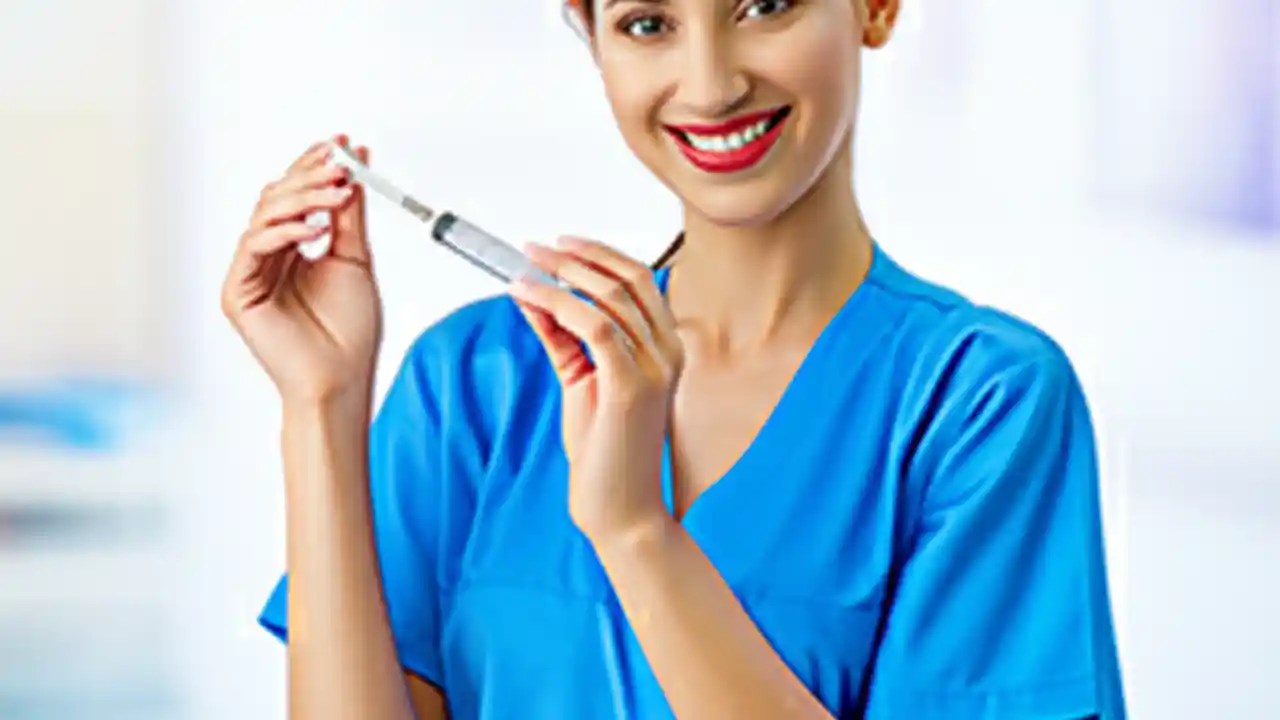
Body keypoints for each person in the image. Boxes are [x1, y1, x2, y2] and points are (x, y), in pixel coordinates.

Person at [221, 0, 1127, 717]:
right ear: (593, 39)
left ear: (876, 7)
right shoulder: (478, 383)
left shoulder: (979, 402)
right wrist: (321, 403)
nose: (711, 85)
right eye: (648, 23)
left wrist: (634, 531)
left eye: (765, 4)